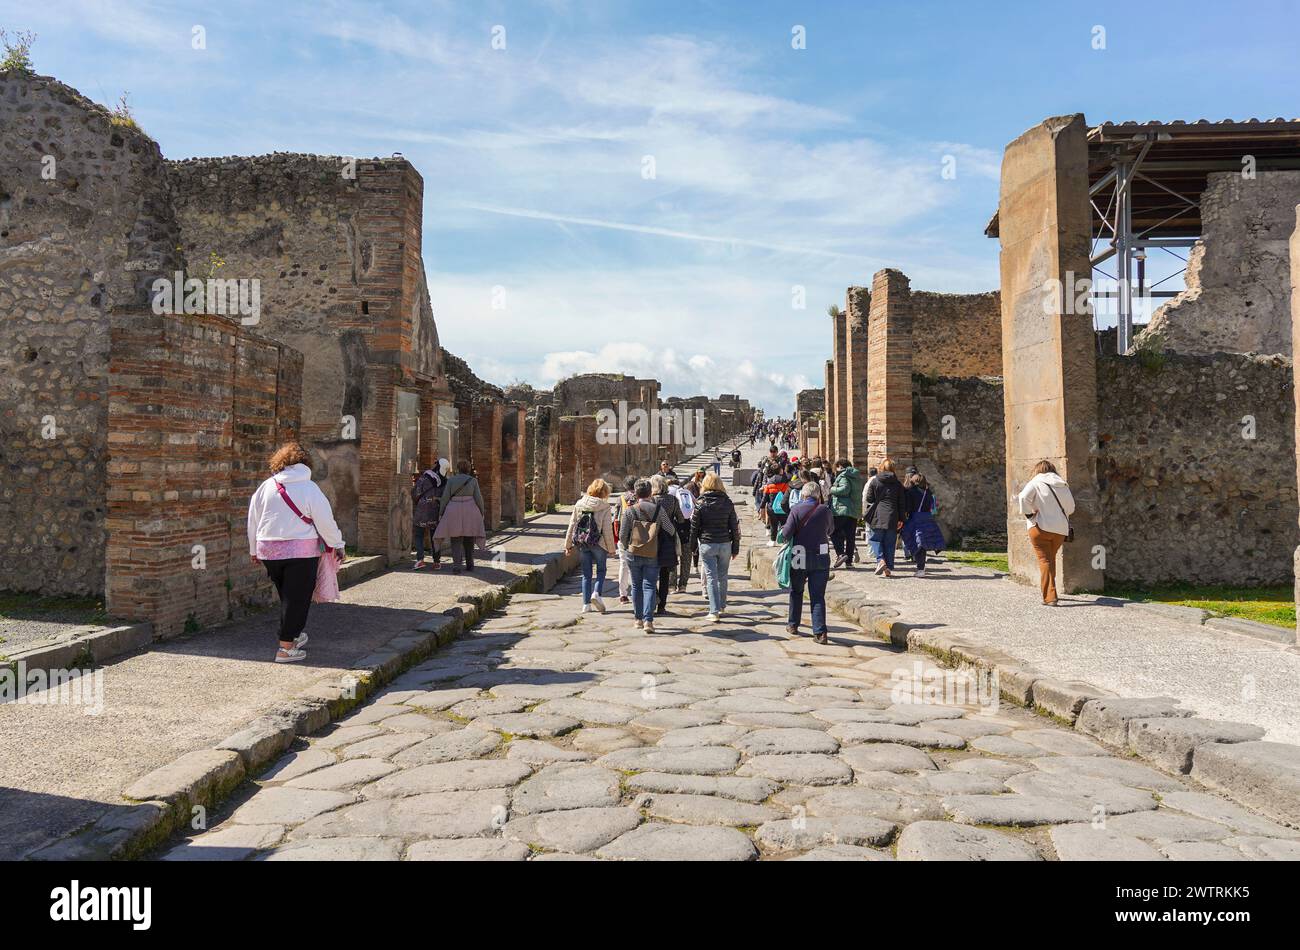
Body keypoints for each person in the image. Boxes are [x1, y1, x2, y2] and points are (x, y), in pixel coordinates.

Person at [247, 442, 345, 663]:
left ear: (280, 463)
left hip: (268, 550)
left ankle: (294, 634)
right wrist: (337, 544)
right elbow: (325, 522)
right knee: (297, 599)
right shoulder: (310, 488)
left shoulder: (266, 486)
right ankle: (285, 649)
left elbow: (253, 519)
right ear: (305, 465)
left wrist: (254, 549)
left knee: (288, 597)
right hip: (300, 551)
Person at [619, 478, 678, 634]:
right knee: (650, 586)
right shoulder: (658, 510)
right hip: (653, 553)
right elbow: (671, 530)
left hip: (633, 553)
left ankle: (638, 619)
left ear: (636, 493)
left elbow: (622, 535)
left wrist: (627, 547)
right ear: (650, 492)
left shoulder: (630, 511)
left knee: (636, 586)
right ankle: (648, 621)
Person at [780, 480, 834, 644]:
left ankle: (793, 624)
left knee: (796, 591)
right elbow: (831, 530)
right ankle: (820, 632)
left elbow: (787, 534)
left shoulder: (796, 509)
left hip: (799, 555)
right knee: (817, 595)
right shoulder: (825, 510)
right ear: (818, 495)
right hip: (821, 556)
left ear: (803, 495)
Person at [1017, 460, 1075, 605]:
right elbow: (1072, 507)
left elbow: (1023, 497)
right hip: (1060, 531)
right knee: (1050, 560)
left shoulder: (1036, 482)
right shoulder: (1063, 484)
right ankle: (1051, 591)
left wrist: (1029, 514)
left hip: (1040, 527)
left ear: (1037, 470)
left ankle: (1050, 597)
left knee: (1045, 560)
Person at [691, 471, 740, 621]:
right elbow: (734, 527)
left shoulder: (700, 503)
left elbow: (694, 528)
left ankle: (714, 611)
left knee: (711, 577)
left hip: (707, 544)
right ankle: (722, 605)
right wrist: (735, 547)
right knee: (723, 577)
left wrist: (693, 547)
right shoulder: (728, 502)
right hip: (725, 543)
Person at [566, 478, 618, 613]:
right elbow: (607, 530)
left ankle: (586, 605)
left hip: (583, 542)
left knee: (586, 574)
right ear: (605, 492)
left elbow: (572, 525)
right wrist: (612, 549)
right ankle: (596, 593)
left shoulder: (580, 503)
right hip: (599, 543)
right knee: (601, 570)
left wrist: (568, 545)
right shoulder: (605, 506)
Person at [435, 459, 486, 572]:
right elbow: (479, 499)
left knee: (456, 540)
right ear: (468, 469)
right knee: (469, 539)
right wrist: (481, 513)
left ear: (458, 469)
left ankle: (457, 566)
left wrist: (441, 513)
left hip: (453, 510)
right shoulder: (473, 481)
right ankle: (470, 564)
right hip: (470, 511)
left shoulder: (451, 480)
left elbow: (445, 498)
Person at [650, 474, 689, 611]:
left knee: (651, 571)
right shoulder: (672, 500)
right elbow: (681, 519)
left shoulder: (651, 500)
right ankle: (662, 606)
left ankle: (654, 597)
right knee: (665, 573)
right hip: (668, 537)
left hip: (652, 537)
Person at [862, 458, 905, 577]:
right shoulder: (898, 484)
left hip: (878, 515)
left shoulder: (875, 481)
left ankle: (880, 560)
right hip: (893, 515)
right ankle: (888, 568)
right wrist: (901, 519)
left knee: (875, 540)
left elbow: (869, 499)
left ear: (881, 467)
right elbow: (901, 503)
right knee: (890, 543)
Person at [902, 471, 946, 577]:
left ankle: (920, 569)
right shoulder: (928, 493)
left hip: (915, 520)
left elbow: (908, 508)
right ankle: (921, 567)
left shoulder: (911, 492)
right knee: (922, 544)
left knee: (919, 544)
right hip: (928, 519)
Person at [410, 458, 448, 570]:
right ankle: (437, 562)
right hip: (435, 512)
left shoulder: (425, 477)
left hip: (422, 510)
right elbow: (445, 497)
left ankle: (420, 560)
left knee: (419, 535)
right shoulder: (445, 481)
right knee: (434, 537)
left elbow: (415, 492)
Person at [828, 458, 864, 570]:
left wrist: (832, 489)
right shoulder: (856, 476)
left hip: (841, 509)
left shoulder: (844, 475)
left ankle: (840, 554)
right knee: (850, 536)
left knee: (833, 532)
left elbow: (845, 489)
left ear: (840, 466)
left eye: (837, 467)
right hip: (853, 509)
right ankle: (849, 561)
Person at [616, 475, 637, 604]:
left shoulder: (621, 499)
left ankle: (623, 594)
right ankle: (637, 591)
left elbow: (615, 520)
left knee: (623, 565)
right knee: (638, 565)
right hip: (639, 536)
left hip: (624, 536)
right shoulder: (640, 498)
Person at [761, 466, 792, 546]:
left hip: (772, 508)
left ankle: (773, 541)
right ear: (780, 470)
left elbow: (765, 498)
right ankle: (785, 541)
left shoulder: (769, 483)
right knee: (784, 524)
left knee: (773, 525)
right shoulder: (787, 481)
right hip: (784, 507)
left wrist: (762, 507)